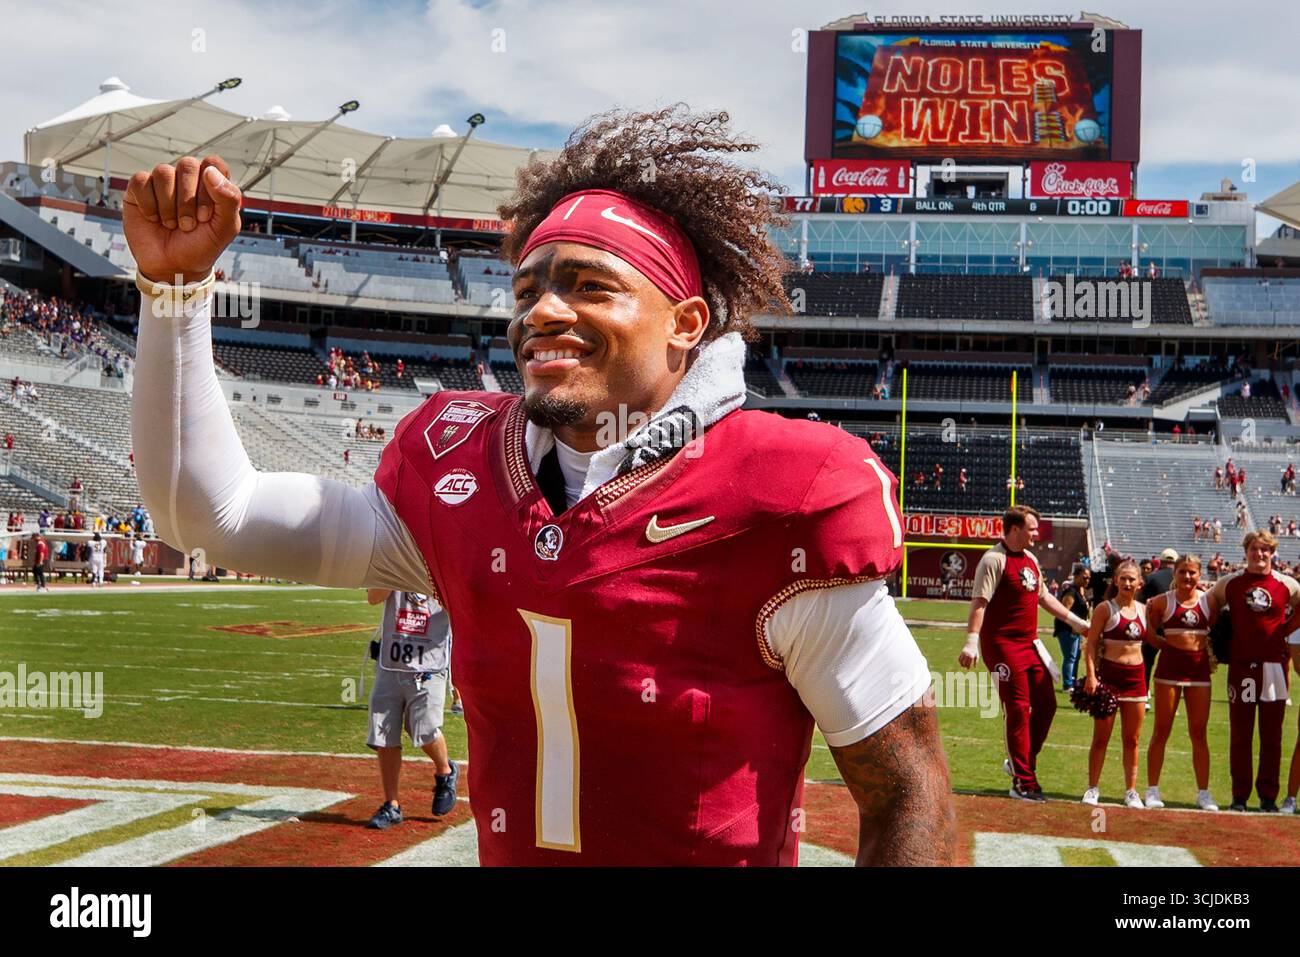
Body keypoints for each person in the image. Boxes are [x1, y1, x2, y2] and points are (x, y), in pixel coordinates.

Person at [124, 110, 953, 866]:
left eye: (590, 285)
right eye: (528, 290)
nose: (543, 311)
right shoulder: (460, 472)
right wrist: (172, 293)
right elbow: (210, 514)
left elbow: (911, 794)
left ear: (686, 324)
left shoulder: (778, 497)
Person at [957, 505, 1088, 800]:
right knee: (1017, 710)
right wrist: (970, 642)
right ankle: (1023, 782)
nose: (1036, 533)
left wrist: (1078, 623)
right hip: (1002, 645)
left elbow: (1044, 597)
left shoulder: (1030, 558)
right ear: (1014, 529)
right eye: (1031, 528)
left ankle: (1020, 762)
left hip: (1030, 645)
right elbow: (979, 603)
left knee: (1047, 704)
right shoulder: (993, 560)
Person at [1210, 531, 1300, 811]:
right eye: (1254, 549)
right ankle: (1239, 796)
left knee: (1272, 735)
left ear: (1272, 553)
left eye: (1264, 550)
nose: (1259, 554)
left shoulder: (1288, 585)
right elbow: (1211, 603)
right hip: (1243, 669)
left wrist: (1288, 632)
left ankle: (1268, 796)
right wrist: (1213, 638)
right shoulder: (1231, 583)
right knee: (1241, 733)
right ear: (1246, 551)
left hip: (1274, 668)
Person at [364, 589, 459, 829]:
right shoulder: (392, 559)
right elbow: (373, 597)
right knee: (383, 735)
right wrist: (392, 576)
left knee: (425, 730)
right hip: (391, 661)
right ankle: (391, 805)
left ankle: (445, 771)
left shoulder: (443, 563)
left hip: (429, 662)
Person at [1144, 554, 1218, 811]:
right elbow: (1149, 630)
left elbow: (1217, 631)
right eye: (1182, 572)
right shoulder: (1163, 602)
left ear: (1200, 575)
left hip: (1198, 673)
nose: (1188, 577)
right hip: (1168, 671)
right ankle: (1152, 790)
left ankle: (1204, 793)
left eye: (1192, 572)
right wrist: (1165, 645)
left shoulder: (1209, 602)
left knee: (1199, 733)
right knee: (1161, 731)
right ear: (1174, 574)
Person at [1081, 558, 1149, 809]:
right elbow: (1090, 644)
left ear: (1139, 583)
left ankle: (1131, 791)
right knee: (1101, 737)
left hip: (1137, 681)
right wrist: (1091, 675)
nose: (1128, 583)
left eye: (1132, 579)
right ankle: (1092, 788)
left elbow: (1154, 640)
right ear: (1116, 581)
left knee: (1132, 739)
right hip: (1109, 678)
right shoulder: (1104, 609)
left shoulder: (1144, 610)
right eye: (1123, 579)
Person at [1139, 548, 1178, 707]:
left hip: (1153, 626)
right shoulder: (1181, 579)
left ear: (1160, 562)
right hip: (1175, 628)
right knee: (1173, 667)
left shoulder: (1151, 578)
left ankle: (1145, 695)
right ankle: (1171, 701)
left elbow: (1141, 603)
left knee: (1147, 662)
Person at [1055, 564, 1091, 691]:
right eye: (1084, 577)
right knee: (1070, 656)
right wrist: (1072, 627)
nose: (1087, 580)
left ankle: (1074, 682)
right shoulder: (1071, 591)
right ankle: (1068, 684)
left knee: (1076, 656)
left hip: (1078, 630)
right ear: (1076, 577)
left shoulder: (1081, 591)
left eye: (1088, 578)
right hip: (1067, 629)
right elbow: (1064, 612)